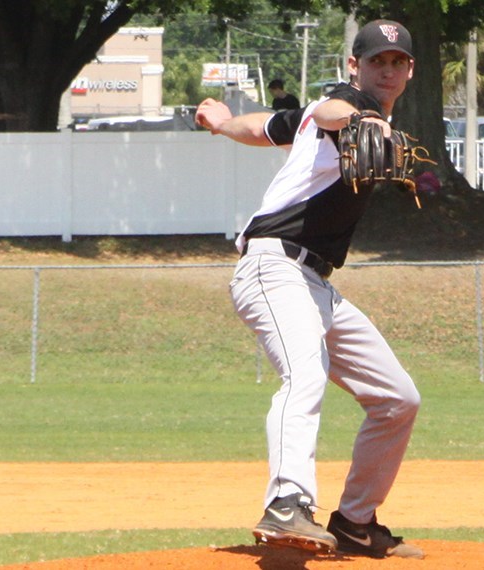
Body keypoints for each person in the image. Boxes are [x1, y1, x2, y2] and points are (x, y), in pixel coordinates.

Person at [195, 19, 423, 559]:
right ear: (354, 66)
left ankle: (355, 523)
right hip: (273, 266)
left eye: (397, 62)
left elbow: (269, 126)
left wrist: (224, 122)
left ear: (410, 70)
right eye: (376, 61)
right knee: (306, 373)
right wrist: (363, 117)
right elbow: (327, 111)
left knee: (397, 398)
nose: (387, 70)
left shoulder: (338, 118)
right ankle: (285, 504)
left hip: (314, 281)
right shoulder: (346, 106)